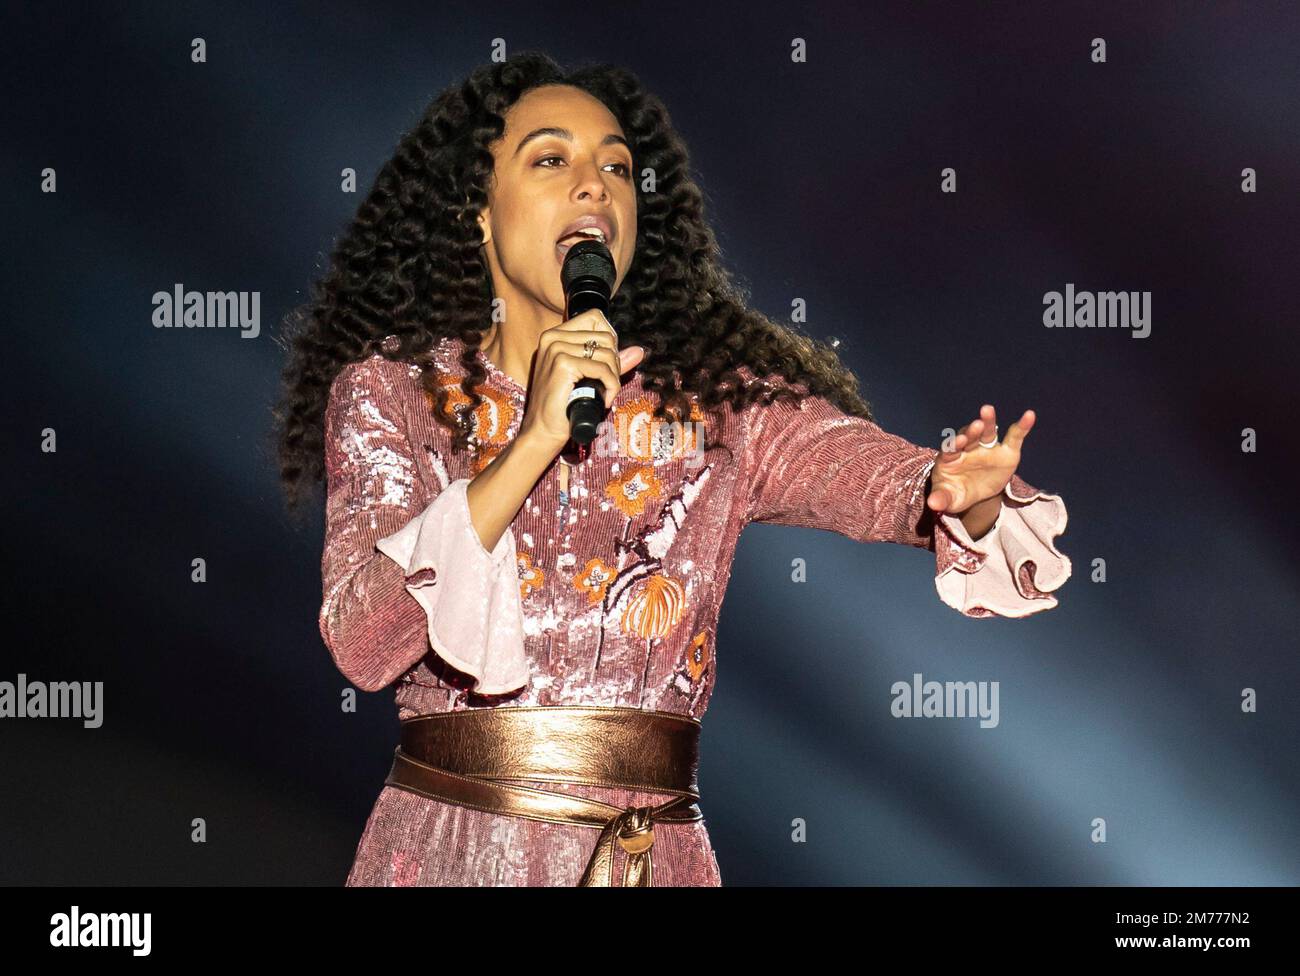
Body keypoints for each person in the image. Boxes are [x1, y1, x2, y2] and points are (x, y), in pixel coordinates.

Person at [273, 53, 1071, 887]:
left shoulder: (717, 406)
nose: (596, 189)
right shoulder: (395, 395)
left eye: (616, 168)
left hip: (651, 861)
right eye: (552, 160)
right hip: (455, 852)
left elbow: (879, 480)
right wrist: (535, 439)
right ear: (478, 212)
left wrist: (959, 498)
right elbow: (363, 644)